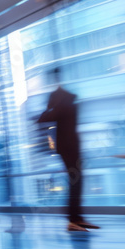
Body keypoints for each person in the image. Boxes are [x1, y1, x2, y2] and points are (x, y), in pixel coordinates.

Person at [37, 68, 99, 232]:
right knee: (74, 180)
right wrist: (57, 108)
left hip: (73, 144)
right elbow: (44, 118)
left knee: (78, 180)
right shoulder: (58, 97)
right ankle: (73, 220)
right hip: (66, 146)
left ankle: (77, 218)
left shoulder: (65, 96)